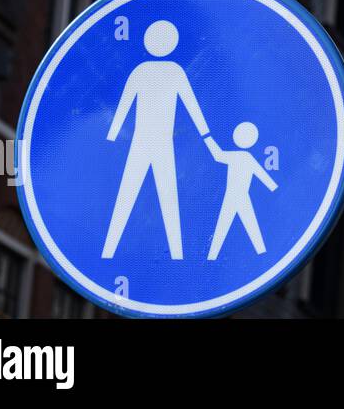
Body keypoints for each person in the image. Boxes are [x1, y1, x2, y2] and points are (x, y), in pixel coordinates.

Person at [101, 20, 210, 260]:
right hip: (157, 142)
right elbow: (192, 107)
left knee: (135, 192)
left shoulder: (143, 71)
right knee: (165, 192)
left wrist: (112, 134)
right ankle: (176, 253)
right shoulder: (173, 71)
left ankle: (110, 249)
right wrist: (206, 135)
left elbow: (124, 105)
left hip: (146, 141)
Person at [204, 122, 278, 260]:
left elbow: (217, 155)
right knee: (246, 224)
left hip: (236, 196)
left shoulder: (239, 156)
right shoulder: (246, 157)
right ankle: (261, 252)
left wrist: (207, 138)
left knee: (225, 225)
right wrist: (272, 187)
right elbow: (261, 174)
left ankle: (212, 255)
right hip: (238, 195)